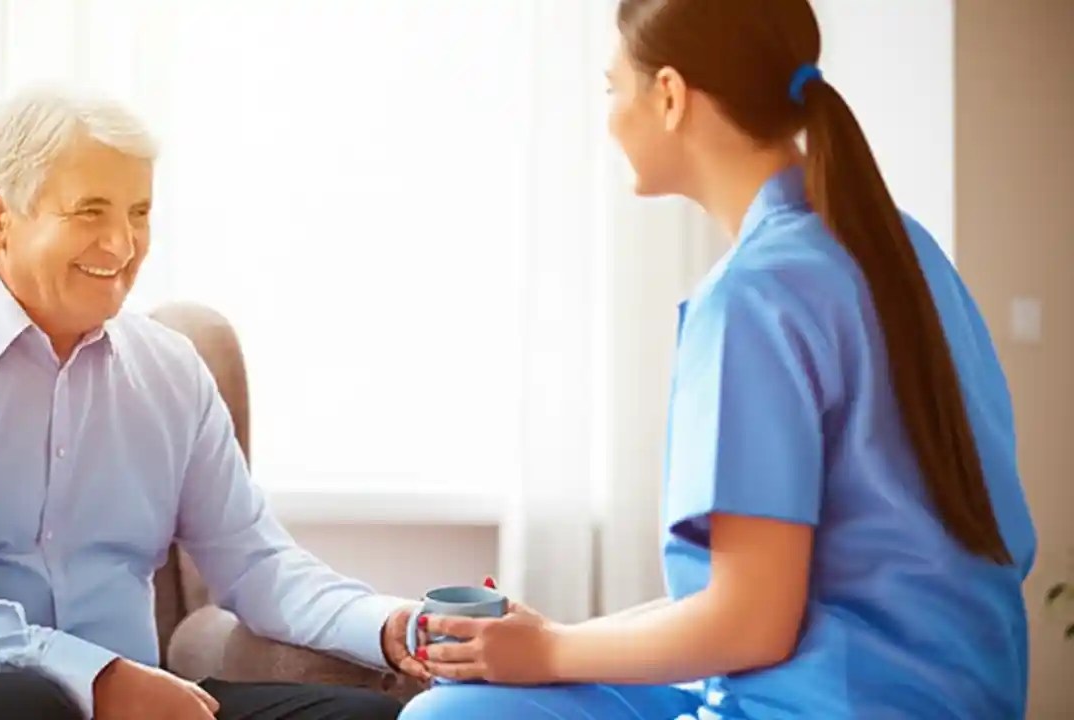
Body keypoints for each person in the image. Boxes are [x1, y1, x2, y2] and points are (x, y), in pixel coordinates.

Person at [398, 0, 1036, 718]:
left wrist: (547, 655)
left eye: (613, 87)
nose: (610, 116)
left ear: (669, 95)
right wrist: (552, 640)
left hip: (829, 705)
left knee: (448, 713)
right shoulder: (903, 250)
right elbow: (750, 600)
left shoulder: (755, 293)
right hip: (958, 696)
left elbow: (751, 625)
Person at [0, 87, 427, 720]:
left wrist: (389, 624)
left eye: (139, 213)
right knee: (27, 704)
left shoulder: (171, 369)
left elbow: (255, 563)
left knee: (367, 718)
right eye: (90, 212)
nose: (123, 244)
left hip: (147, 696)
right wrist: (96, 678)